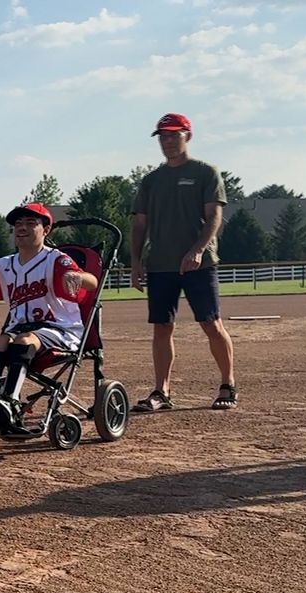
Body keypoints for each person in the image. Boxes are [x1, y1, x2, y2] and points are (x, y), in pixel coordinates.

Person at [0, 203, 98, 442]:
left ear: (45, 230)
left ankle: (10, 402)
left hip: (59, 328)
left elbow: (92, 282)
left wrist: (77, 277)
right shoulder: (5, 264)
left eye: (31, 223)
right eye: (18, 224)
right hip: (20, 328)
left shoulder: (56, 259)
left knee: (23, 339)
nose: (22, 228)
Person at [129, 112, 236, 412]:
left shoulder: (205, 173)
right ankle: (161, 391)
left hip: (199, 264)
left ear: (187, 136)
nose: (168, 142)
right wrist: (136, 262)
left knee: (210, 323)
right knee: (162, 327)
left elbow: (214, 216)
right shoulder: (151, 181)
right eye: (163, 136)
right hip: (161, 263)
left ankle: (227, 383)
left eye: (174, 135)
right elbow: (140, 224)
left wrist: (198, 249)